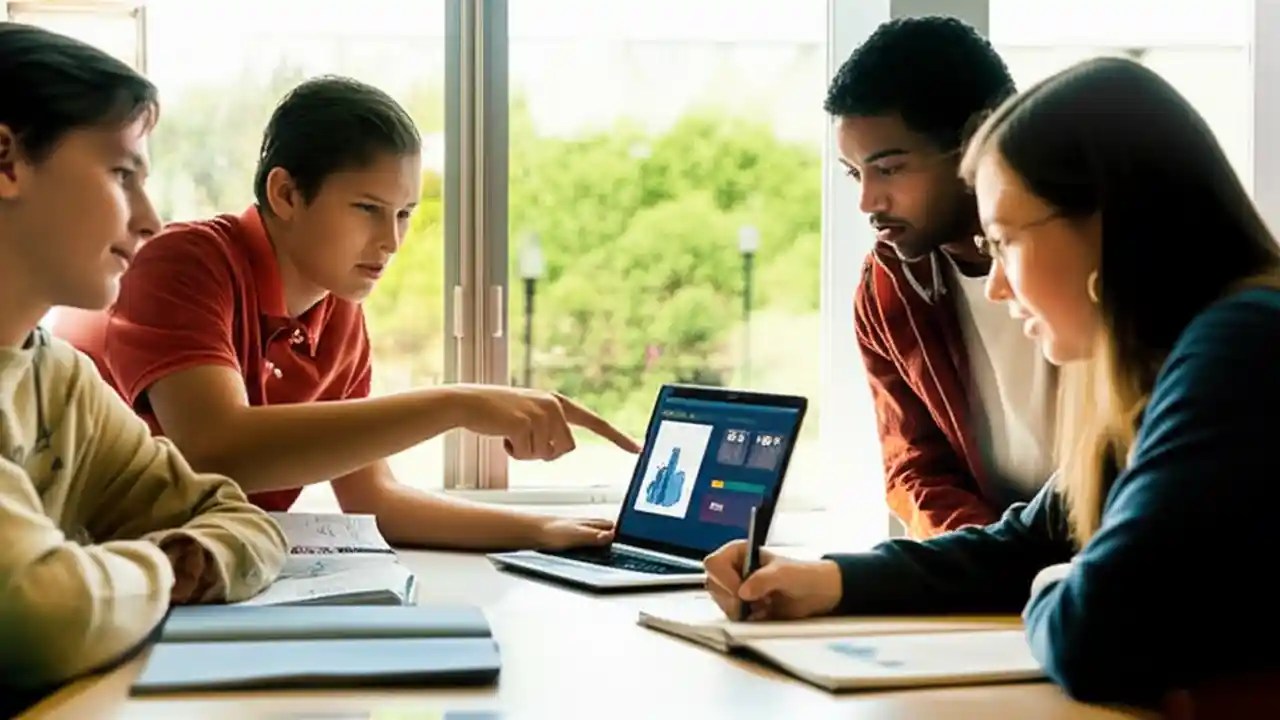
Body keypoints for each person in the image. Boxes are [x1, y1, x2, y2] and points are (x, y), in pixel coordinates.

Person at [703, 56, 1280, 706]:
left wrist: (1052, 584)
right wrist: (828, 579)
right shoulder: (1168, 366)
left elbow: (1097, 631)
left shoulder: (1241, 345)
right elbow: (1025, 543)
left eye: (1004, 240)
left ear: (1104, 224)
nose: (998, 284)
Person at [53, 76, 640, 552]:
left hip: (190, 566)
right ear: (285, 194)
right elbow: (215, 450)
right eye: (367, 208)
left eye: (405, 213)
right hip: (77, 562)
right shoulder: (183, 261)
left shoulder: (339, 319)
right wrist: (461, 402)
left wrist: (538, 530)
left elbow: (375, 498)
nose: (390, 241)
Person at [0, 24, 286, 690]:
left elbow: (236, 517)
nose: (152, 218)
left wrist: (187, 555)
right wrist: (161, 569)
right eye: (122, 173)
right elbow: (45, 614)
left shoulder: (61, 378)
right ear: (6, 159)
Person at [831, 16, 1058, 538]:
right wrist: (986, 561)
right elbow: (914, 468)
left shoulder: (1089, 259)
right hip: (999, 587)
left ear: (978, 138)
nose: (867, 201)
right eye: (854, 173)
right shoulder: (886, 286)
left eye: (888, 168)